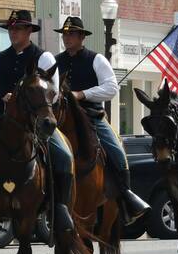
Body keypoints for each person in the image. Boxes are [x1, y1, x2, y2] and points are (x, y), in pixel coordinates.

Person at [0, 9, 75, 234]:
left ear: (29, 30)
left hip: (36, 124)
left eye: (18, 28)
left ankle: (59, 207)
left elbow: (54, 92)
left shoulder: (44, 57)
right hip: (2, 119)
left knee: (65, 157)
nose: (13, 32)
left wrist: (21, 99)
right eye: (11, 28)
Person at [53, 16, 150, 225]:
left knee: (116, 150)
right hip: (62, 119)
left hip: (91, 117)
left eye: (71, 34)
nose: (67, 38)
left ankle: (126, 197)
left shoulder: (95, 59)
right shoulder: (55, 62)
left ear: (81, 37)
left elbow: (112, 88)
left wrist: (82, 94)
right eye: (65, 34)